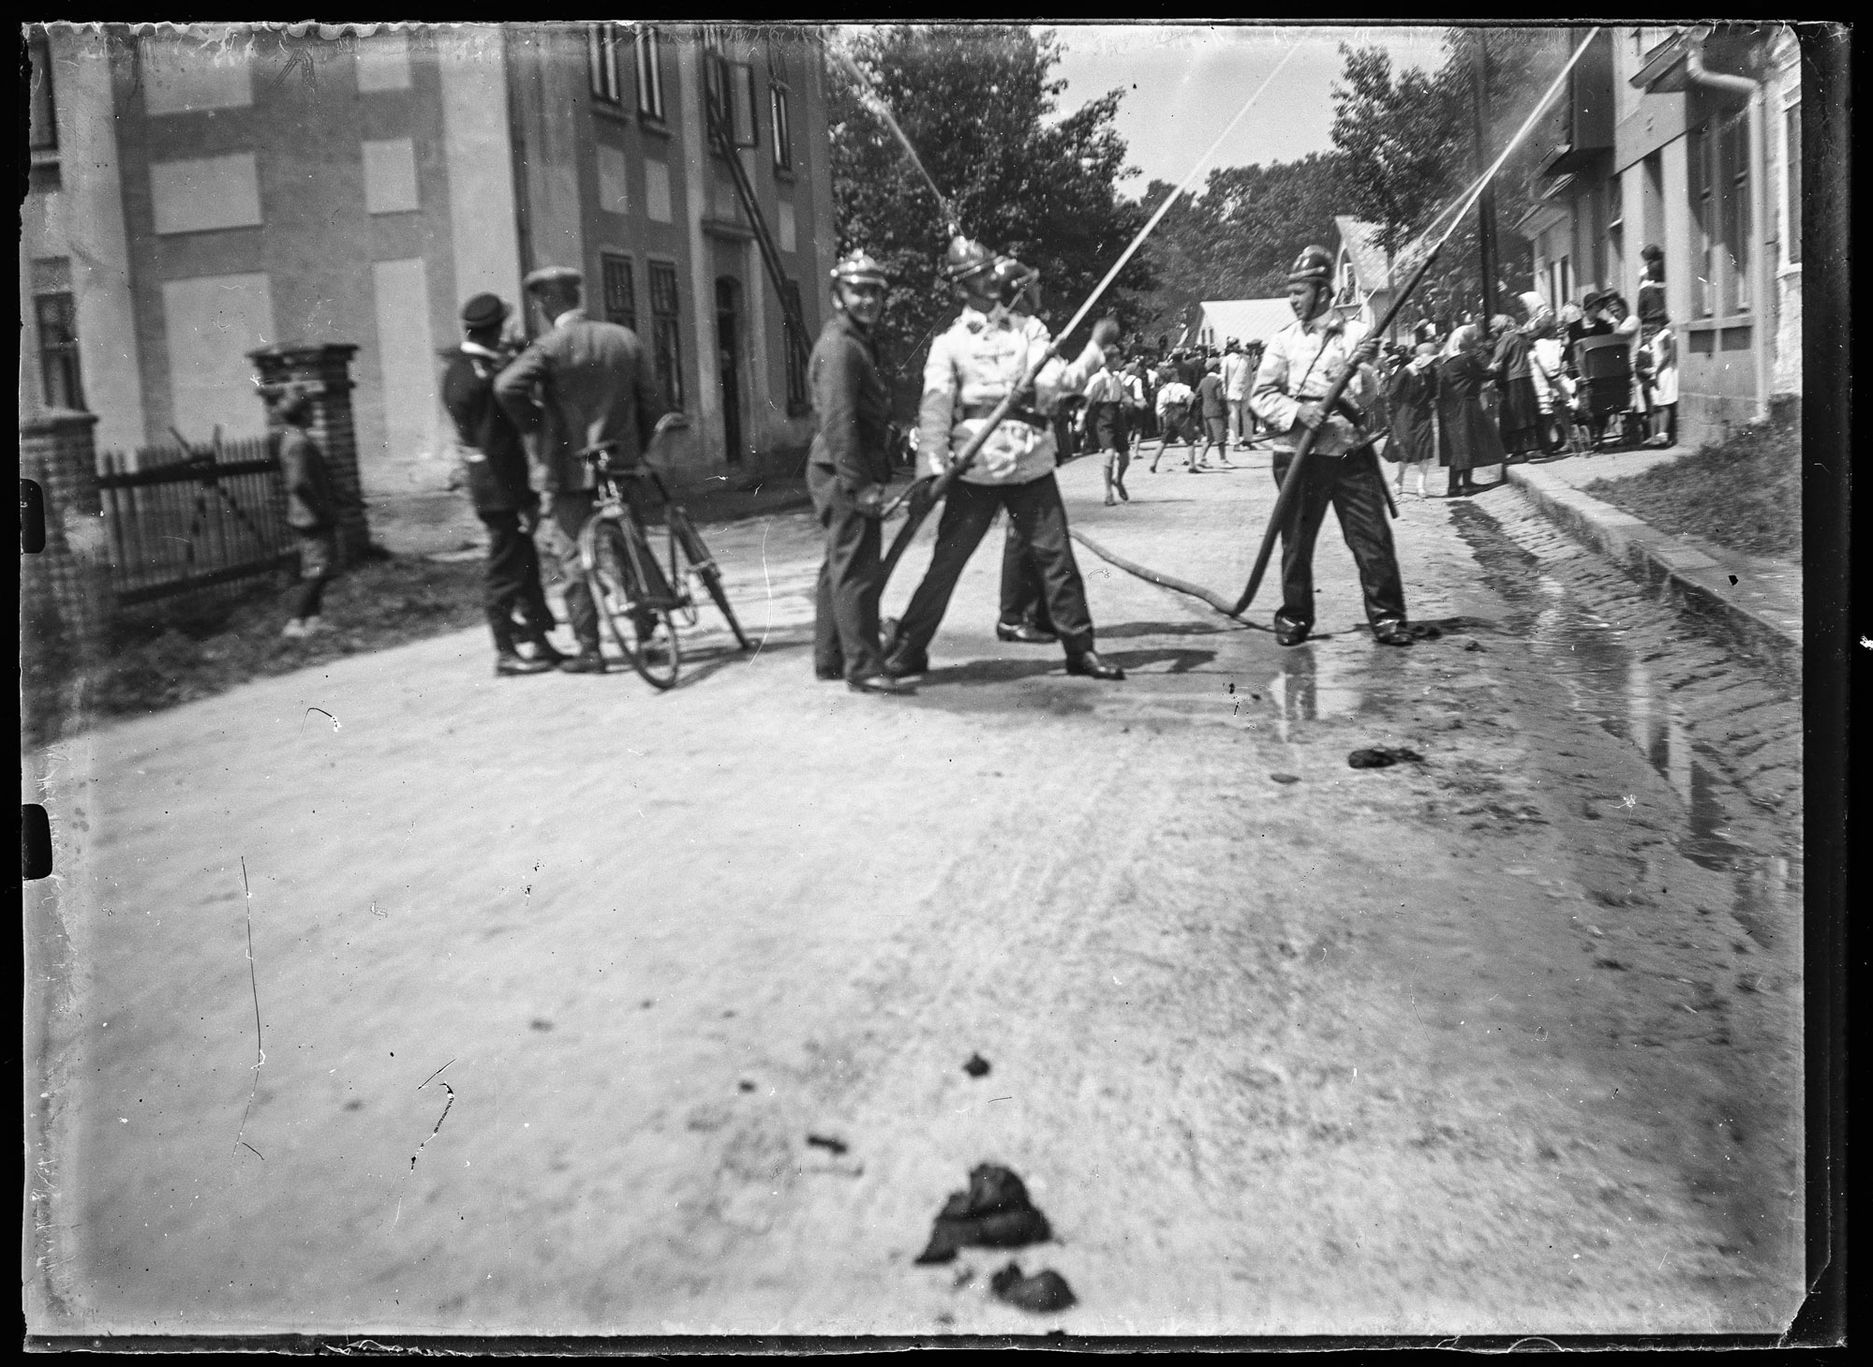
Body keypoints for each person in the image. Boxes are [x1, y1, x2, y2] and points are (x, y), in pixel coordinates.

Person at [882, 235, 1125, 683]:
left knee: (1057, 559)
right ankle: (911, 649)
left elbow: (1056, 381)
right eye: (977, 275)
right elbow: (934, 412)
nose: (990, 279)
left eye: (991, 270)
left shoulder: (1027, 330)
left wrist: (1090, 352)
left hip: (1029, 461)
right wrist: (928, 473)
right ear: (960, 287)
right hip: (976, 468)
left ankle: (1081, 650)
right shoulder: (948, 344)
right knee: (946, 564)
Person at [495, 265, 667, 674]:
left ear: (547, 301)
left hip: (568, 469)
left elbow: (506, 387)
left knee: (573, 557)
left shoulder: (548, 347)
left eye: (540, 301)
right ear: (576, 295)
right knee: (628, 545)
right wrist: (639, 451)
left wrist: (536, 423)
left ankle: (590, 648)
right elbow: (651, 402)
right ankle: (648, 634)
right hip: (619, 466)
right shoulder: (623, 339)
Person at [1248, 245, 1413, 649]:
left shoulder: (1358, 335)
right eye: (1290, 291)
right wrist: (1298, 412)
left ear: (1323, 292)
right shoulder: (1282, 341)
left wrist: (1357, 373)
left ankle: (1388, 618)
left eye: (1299, 291)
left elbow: (1372, 397)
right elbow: (1261, 394)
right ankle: (1295, 617)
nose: (1292, 300)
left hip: (1349, 454)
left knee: (1371, 537)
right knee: (1296, 543)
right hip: (1298, 456)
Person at [802, 249, 910, 695]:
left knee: (839, 565)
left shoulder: (855, 341)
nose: (868, 300)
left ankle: (830, 656)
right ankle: (863, 665)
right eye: (857, 291)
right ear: (837, 296)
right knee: (857, 568)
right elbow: (839, 420)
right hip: (844, 469)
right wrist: (860, 484)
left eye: (874, 292)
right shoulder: (840, 346)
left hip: (842, 466)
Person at [440, 291, 564, 676]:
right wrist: (524, 497)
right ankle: (505, 653)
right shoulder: (480, 378)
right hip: (499, 486)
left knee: (523, 561)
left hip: (492, 483)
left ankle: (541, 643)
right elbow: (497, 445)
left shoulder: (460, 369)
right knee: (506, 567)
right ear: (493, 333)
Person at [273, 382, 343, 640]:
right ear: (302, 413)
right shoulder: (299, 443)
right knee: (318, 570)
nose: (314, 414)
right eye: (310, 410)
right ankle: (295, 621)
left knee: (318, 567)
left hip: (309, 514)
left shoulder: (293, 438)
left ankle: (312, 622)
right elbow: (298, 483)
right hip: (311, 516)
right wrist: (321, 508)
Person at [1435, 323, 1504, 497]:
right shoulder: (1465, 359)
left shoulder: (1446, 361)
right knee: (1468, 442)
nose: (1475, 341)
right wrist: (1495, 369)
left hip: (1449, 407)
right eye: (1472, 338)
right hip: (1466, 404)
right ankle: (1467, 484)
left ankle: (1453, 486)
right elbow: (1483, 375)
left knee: (1454, 446)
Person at [1385, 341, 1439, 500]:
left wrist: (1433, 399)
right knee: (1406, 449)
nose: (1431, 365)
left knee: (1425, 448)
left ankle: (1420, 485)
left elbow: (1435, 390)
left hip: (1424, 415)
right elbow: (1392, 393)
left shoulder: (1432, 372)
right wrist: (1398, 410)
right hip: (1406, 414)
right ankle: (1399, 479)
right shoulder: (1406, 372)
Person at [1490, 308, 1542, 462]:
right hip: (1525, 378)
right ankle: (1530, 449)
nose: (1493, 329)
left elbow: (1497, 359)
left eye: (1494, 326)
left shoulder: (1506, 338)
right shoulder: (1520, 336)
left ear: (1501, 326)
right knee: (1526, 415)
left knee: (1513, 416)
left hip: (1512, 380)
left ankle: (1518, 452)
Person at [1081, 355, 1130, 506]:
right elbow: (1086, 399)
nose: (1119, 362)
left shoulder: (1116, 378)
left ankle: (1118, 480)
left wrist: (1131, 401)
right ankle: (1108, 493)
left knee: (1125, 458)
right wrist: (1080, 420)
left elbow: (1121, 395)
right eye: (1116, 360)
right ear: (1107, 361)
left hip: (1117, 416)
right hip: (1102, 416)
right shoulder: (1097, 378)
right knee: (1109, 454)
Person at [1145, 370, 1198, 473]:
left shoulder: (1162, 391)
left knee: (1163, 441)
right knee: (1190, 441)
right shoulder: (1181, 387)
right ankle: (1192, 465)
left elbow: (1159, 410)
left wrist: (1166, 414)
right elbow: (1192, 396)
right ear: (1174, 377)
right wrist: (1189, 408)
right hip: (1181, 414)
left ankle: (1153, 464)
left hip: (1169, 414)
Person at [1642, 315, 1679, 448]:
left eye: (1652, 321)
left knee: (1665, 404)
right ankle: (1659, 435)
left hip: (1665, 371)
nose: (1650, 324)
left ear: (1659, 322)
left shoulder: (1665, 334)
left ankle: (1663, 435)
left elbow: (1668, 354)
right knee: (1659, 403)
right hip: (1660, 371)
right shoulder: (1658, 335)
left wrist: (1657, 371)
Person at [1194, 358, 1236, 469]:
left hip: (1206, 411)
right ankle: (1223, 460)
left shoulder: (1203, 381)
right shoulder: (1217, 381)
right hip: (1216, 412)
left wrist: (1204, 405)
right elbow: (1220, 397)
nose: (1220, 368)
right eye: (1219, 366)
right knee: (1221, 437)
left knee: (1209, 437)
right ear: (1215, 367)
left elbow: (1197, 396)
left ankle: (1201, 458)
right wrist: (1226, 410)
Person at [1221, 338, 1256, 449]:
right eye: (1234, 345)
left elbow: (1250, 375)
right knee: (1233, 418)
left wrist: (1251, 390)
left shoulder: (1246, 358)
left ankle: (1248, 441)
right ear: (1230, 347)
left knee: (1248, 417)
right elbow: (1223, 377)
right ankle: (1235, 442)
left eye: (1238, 344)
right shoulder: (1226, 360)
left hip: (1246, 392)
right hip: (1232, 392)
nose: (1237, 346)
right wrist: (1224, 392)